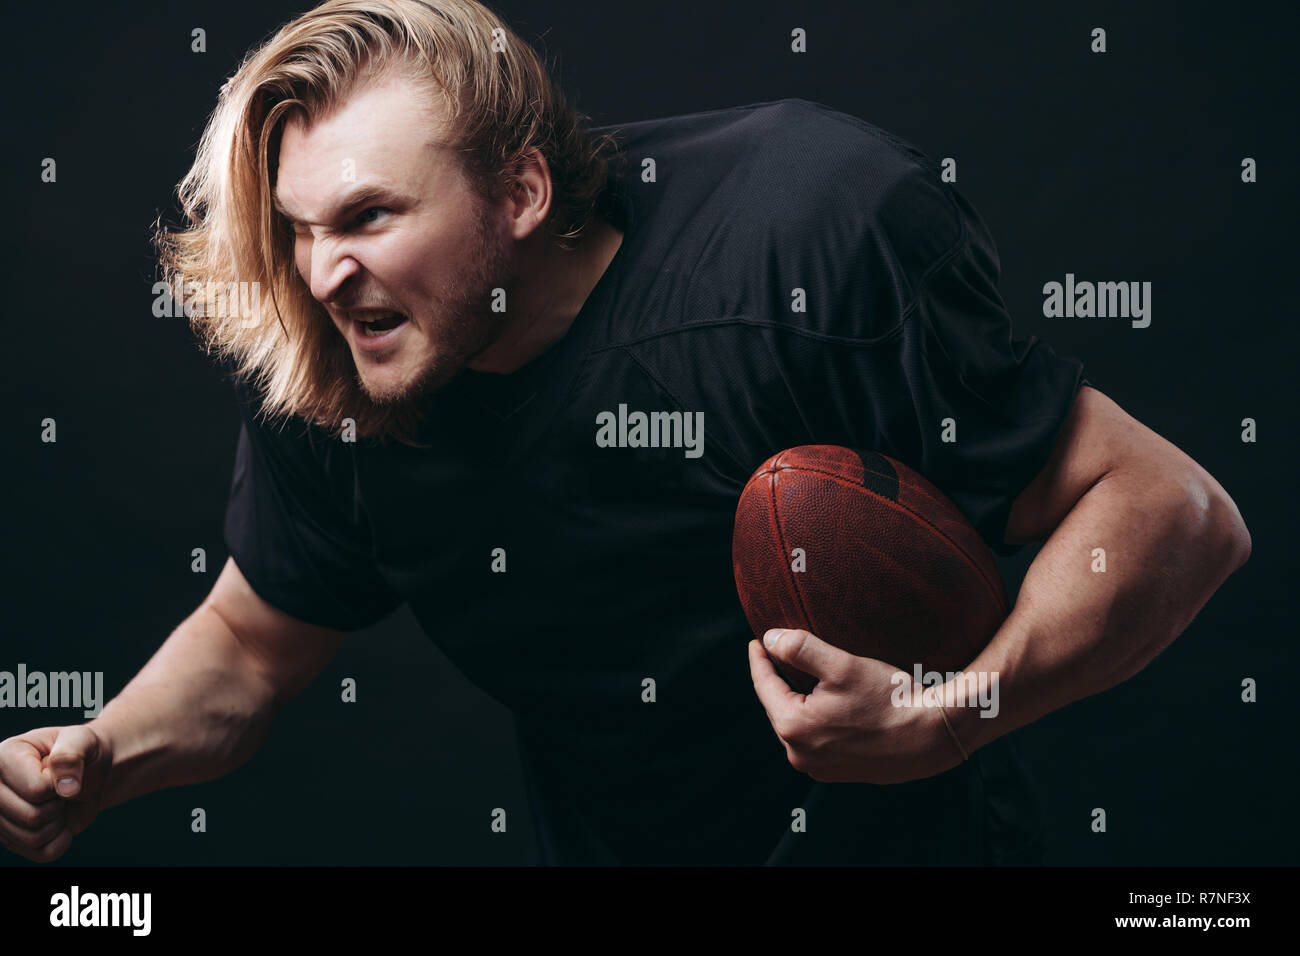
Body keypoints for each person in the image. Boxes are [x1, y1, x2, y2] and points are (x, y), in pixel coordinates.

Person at [0, 0, 1250, 866]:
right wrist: (106, 751)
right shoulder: (337, 366)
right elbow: (250, 641)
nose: (325, 271)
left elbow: (1175, 512)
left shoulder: (803, 245)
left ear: (523, 192)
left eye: (371, 215)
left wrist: (952, 708)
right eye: (299, 230)